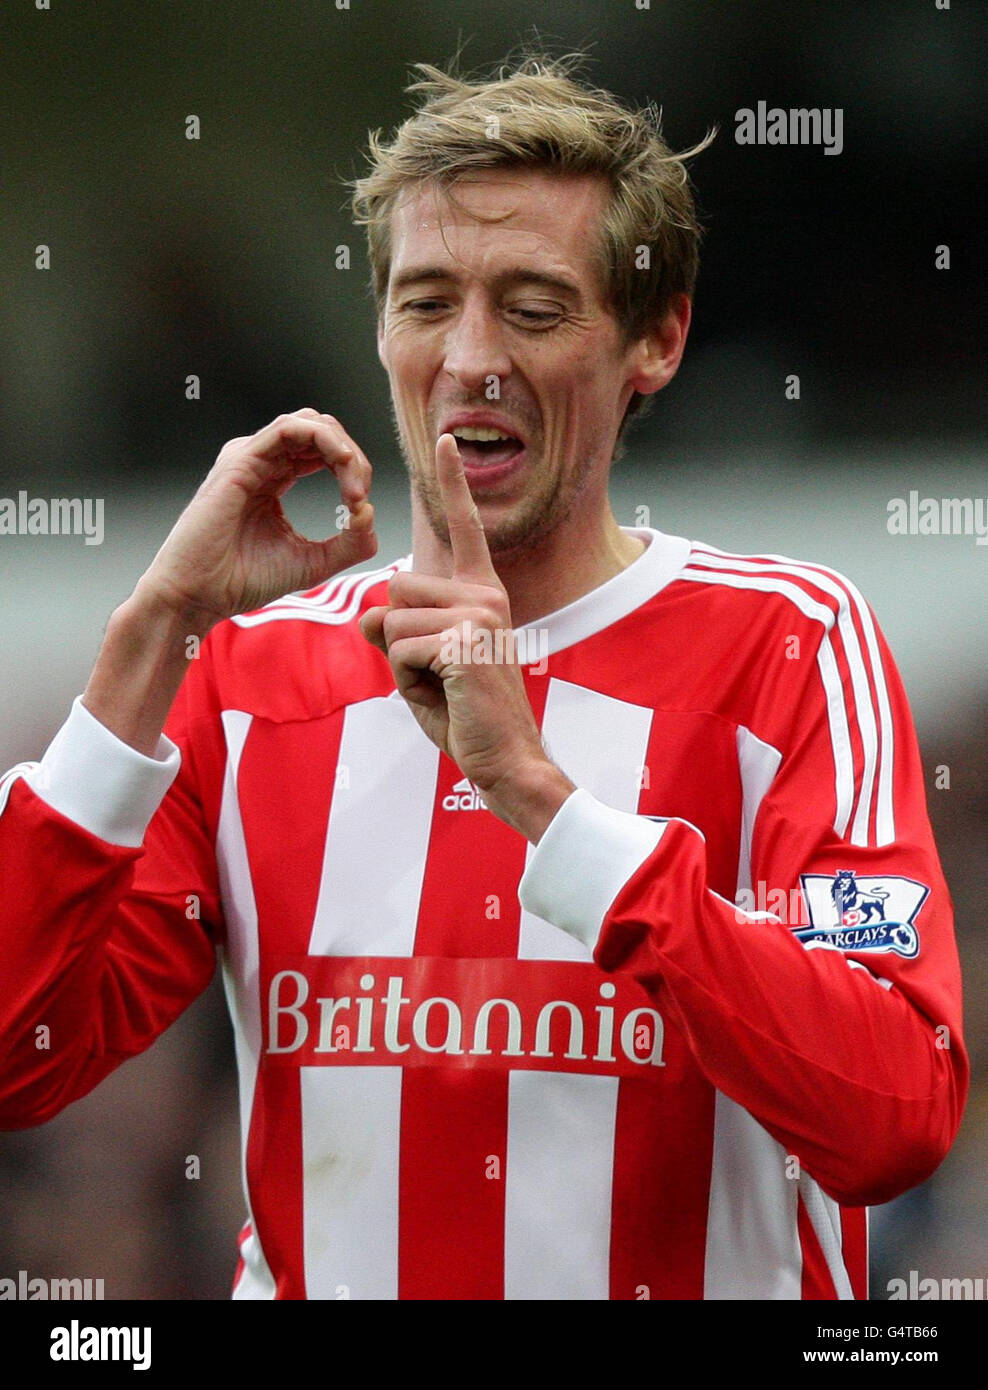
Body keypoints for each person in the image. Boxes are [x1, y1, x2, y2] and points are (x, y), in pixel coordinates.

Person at [0, 54, 967, 1301]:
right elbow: (21, 1059)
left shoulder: (787, 643)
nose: (469, 358)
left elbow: (894, 1112)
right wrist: (145, 642)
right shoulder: (255, 671)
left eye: (531, 305)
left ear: (655, 337)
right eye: (426, 302)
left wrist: (539, 801)